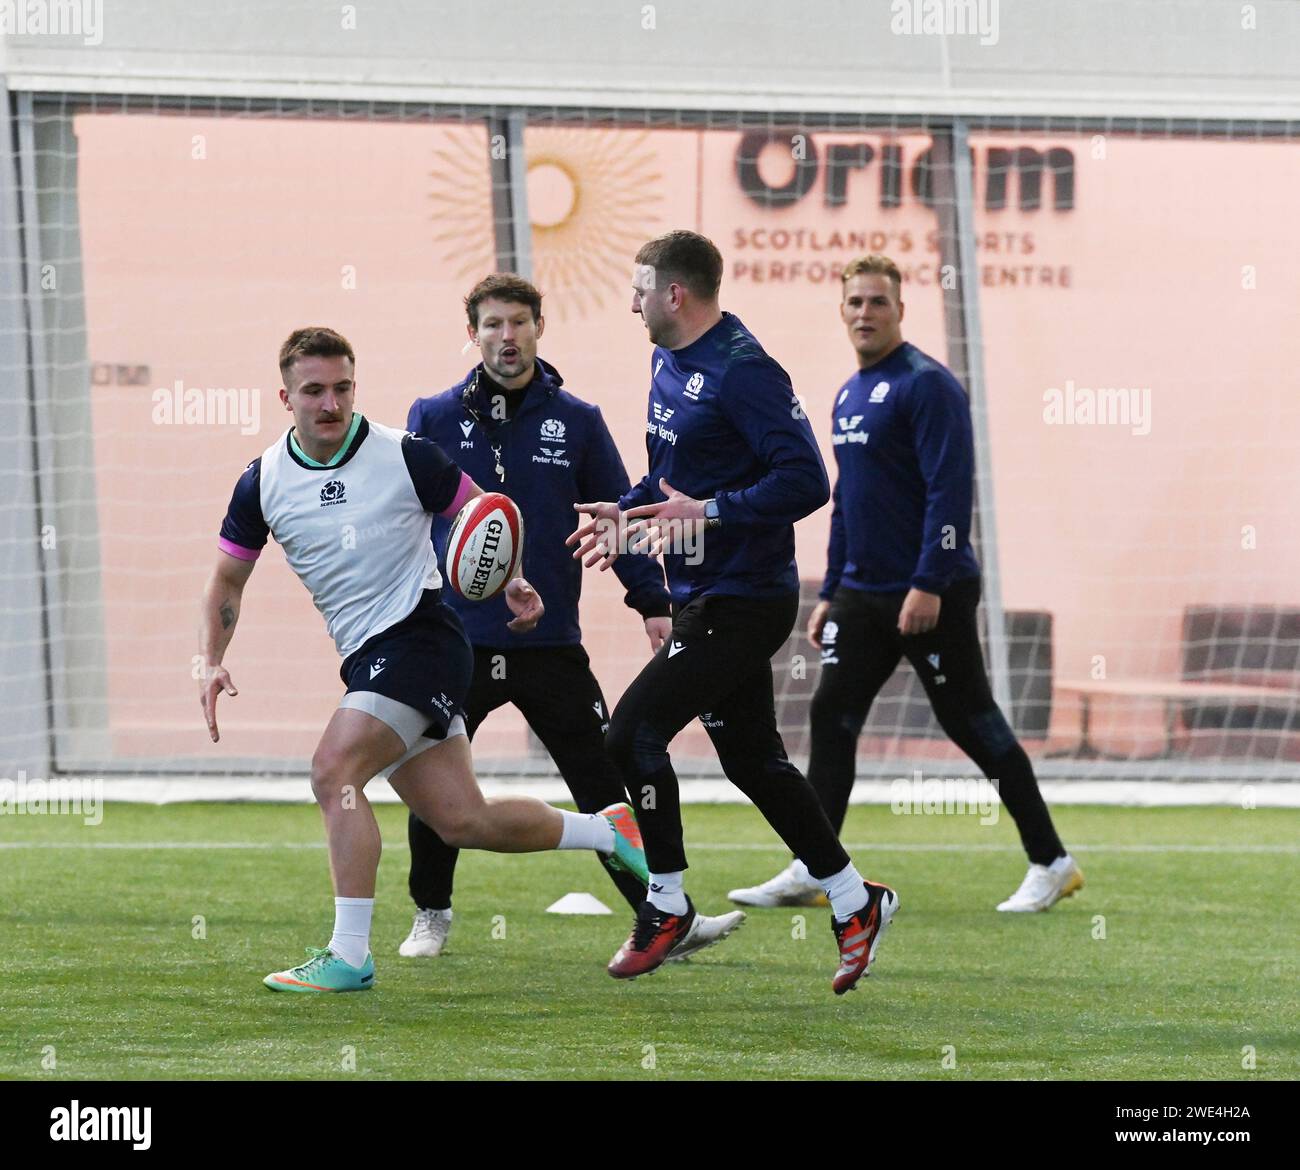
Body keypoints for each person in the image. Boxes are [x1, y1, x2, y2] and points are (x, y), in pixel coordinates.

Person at [199, 326, 647, 994]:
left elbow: (485, 513)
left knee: (334, 771)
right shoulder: (261, 481)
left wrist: (515, 576)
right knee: (463, 819)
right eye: (313, 391)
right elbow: (227, 582)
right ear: (285, 396)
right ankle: (608, 832)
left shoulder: (405, 454)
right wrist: (210, 661)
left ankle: (349, 954)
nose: (330, 403)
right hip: (369, 658)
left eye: (342, 388)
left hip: (422, 640)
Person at [568, 230, 898, 994]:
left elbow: (808, 481)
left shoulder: (745, 371)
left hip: (746, 599)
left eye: (639, 288)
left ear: (674, 294)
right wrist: (627, 511)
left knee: (631, 733)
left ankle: (667, 904)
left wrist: (709, 510)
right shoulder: (668, 359)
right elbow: (672, 474)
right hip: (699, 595)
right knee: (754, 761)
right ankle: (856, 900)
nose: (631, 301)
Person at [400, 273, 744, 960]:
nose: (507, 336)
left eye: (519, 322)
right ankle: (430, 914)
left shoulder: (577, 420)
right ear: (473, 334)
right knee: (434, 782)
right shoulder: (431, 418)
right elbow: (407, 522)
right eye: (492, 324)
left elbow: (618, 515)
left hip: (550, 643)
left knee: (604, 783)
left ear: (538, 328)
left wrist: (652, 603)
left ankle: (660, 919)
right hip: (455, 641)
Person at [728, 254, 1083, 913]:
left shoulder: (929, 386)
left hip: (930, 591)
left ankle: (1051, 860)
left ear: (900, 310)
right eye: (855, 303)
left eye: (878, 303)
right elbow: (847, 501)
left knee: (971, 723)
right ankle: (816, 865)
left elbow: (952, 492)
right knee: (831, 715)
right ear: (842, 311)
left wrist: (929, 582)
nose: (865, 313)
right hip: (862, 594)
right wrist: (831, 589)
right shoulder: (847, 393)